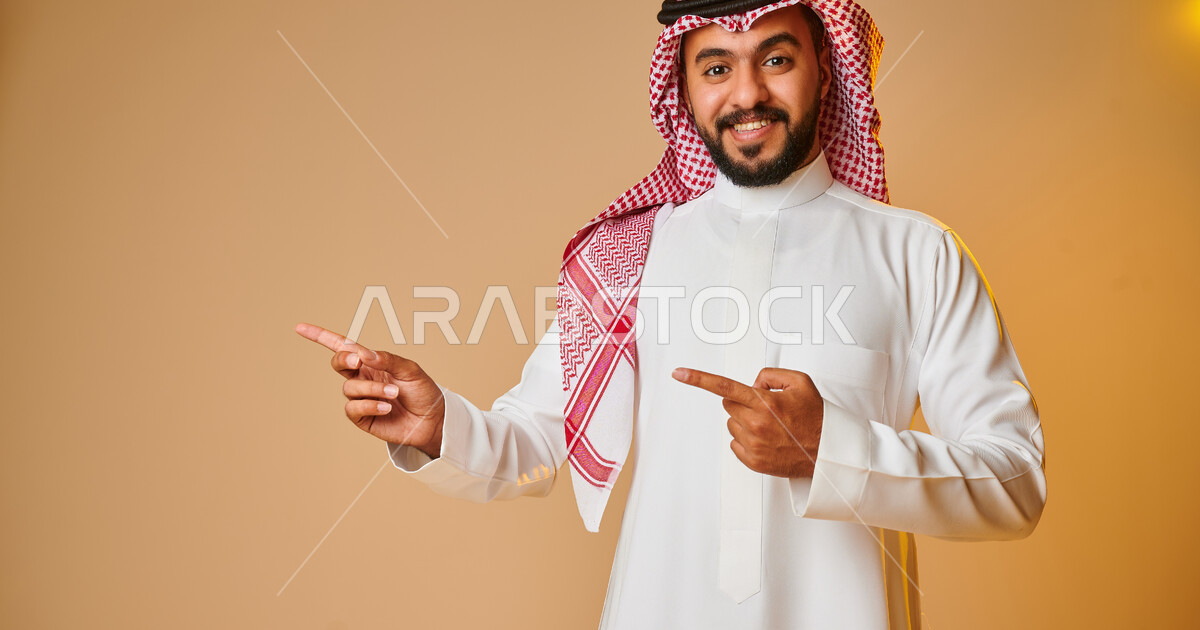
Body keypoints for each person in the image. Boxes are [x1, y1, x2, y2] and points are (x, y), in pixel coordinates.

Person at [296, 1, 1047, 627]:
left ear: (825, 64)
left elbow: (1014, 483)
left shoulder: (920, 255)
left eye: (776, 59)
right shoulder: (629, 255)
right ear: (683, 89)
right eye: (716, 68)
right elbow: (534, 442)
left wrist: (835, 450)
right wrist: (436, 428)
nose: (747, 94)